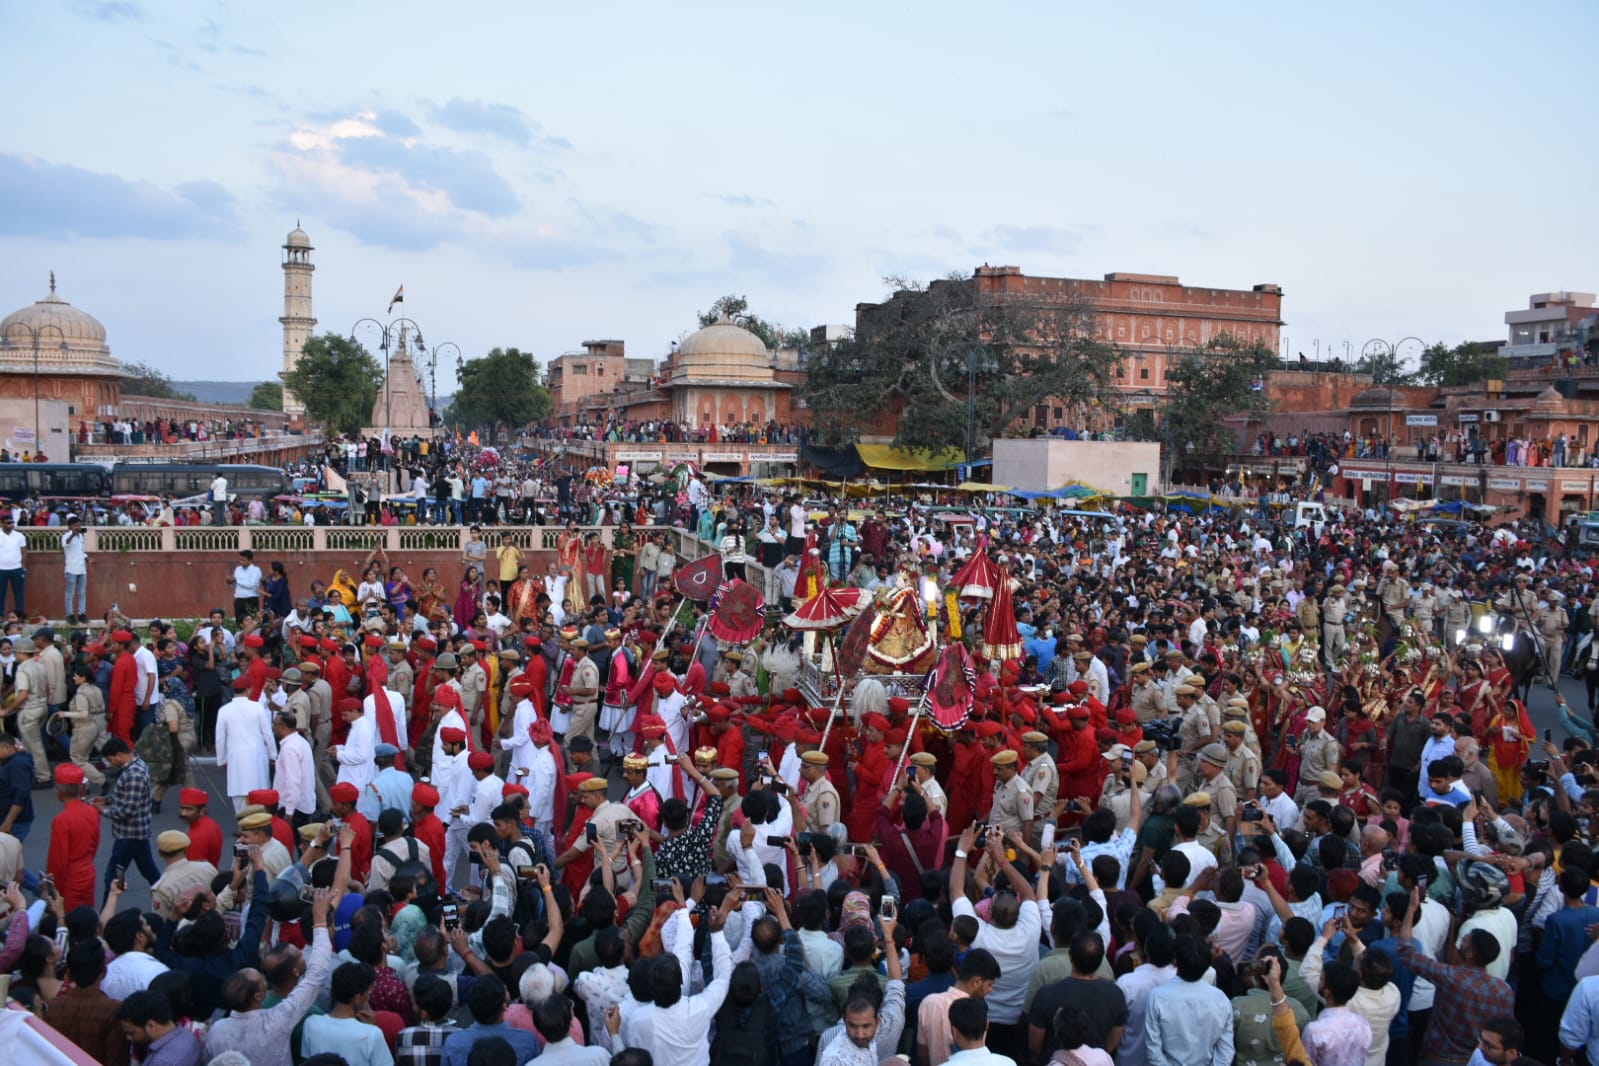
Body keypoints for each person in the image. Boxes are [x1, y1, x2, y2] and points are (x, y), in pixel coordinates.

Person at [205, 887, 336, 1066]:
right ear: (258, 996)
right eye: (261, 981)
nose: (265, 981)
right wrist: (320, 920)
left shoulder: (216, 1031)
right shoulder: (275, 1021)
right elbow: (315, 976)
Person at [1143, 934, 1234, 1066]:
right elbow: (1226, 1051)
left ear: (1175, 961)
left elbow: (1153, 1050)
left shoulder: (1157, 997)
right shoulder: (1220, 1000)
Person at [92, 736, 161, 901]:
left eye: (111, 760)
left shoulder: (133, 774)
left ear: (119, 755)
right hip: (138, 833)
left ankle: (106, 911)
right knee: (150, 872)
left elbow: (127, 810)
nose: (110, 764)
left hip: (129, 835)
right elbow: (127, 795)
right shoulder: (137, 765)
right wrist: (107, 799)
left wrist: (103, 810)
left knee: (112, 877)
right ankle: (167, 898)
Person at [47, 939, 131, 1066]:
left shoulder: (52, 1008)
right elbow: (118, 1060)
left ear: (68, 974)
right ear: (104, 972)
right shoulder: (113, 1010)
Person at [216, 681, 278, 813]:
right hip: (257, 758)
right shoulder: (257, 708)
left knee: (239, 799)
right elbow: (268, 734)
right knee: (260, 797)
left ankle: (242, 823)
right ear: (248, 690)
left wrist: (221, 760)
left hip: (236, 759)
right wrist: (273, 755)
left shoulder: (224, 710)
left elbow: (220, 739)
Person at [0, 509, 26, 617]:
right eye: (8, 523)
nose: (11, 525)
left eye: (12, 522)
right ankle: (1, 617)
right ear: (2, 524)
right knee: (1, 594)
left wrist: (23, 567)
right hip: (1, 569)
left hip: (17, 569)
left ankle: (19, 616)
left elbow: (24, 551)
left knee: (19, 594)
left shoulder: (19, 536)